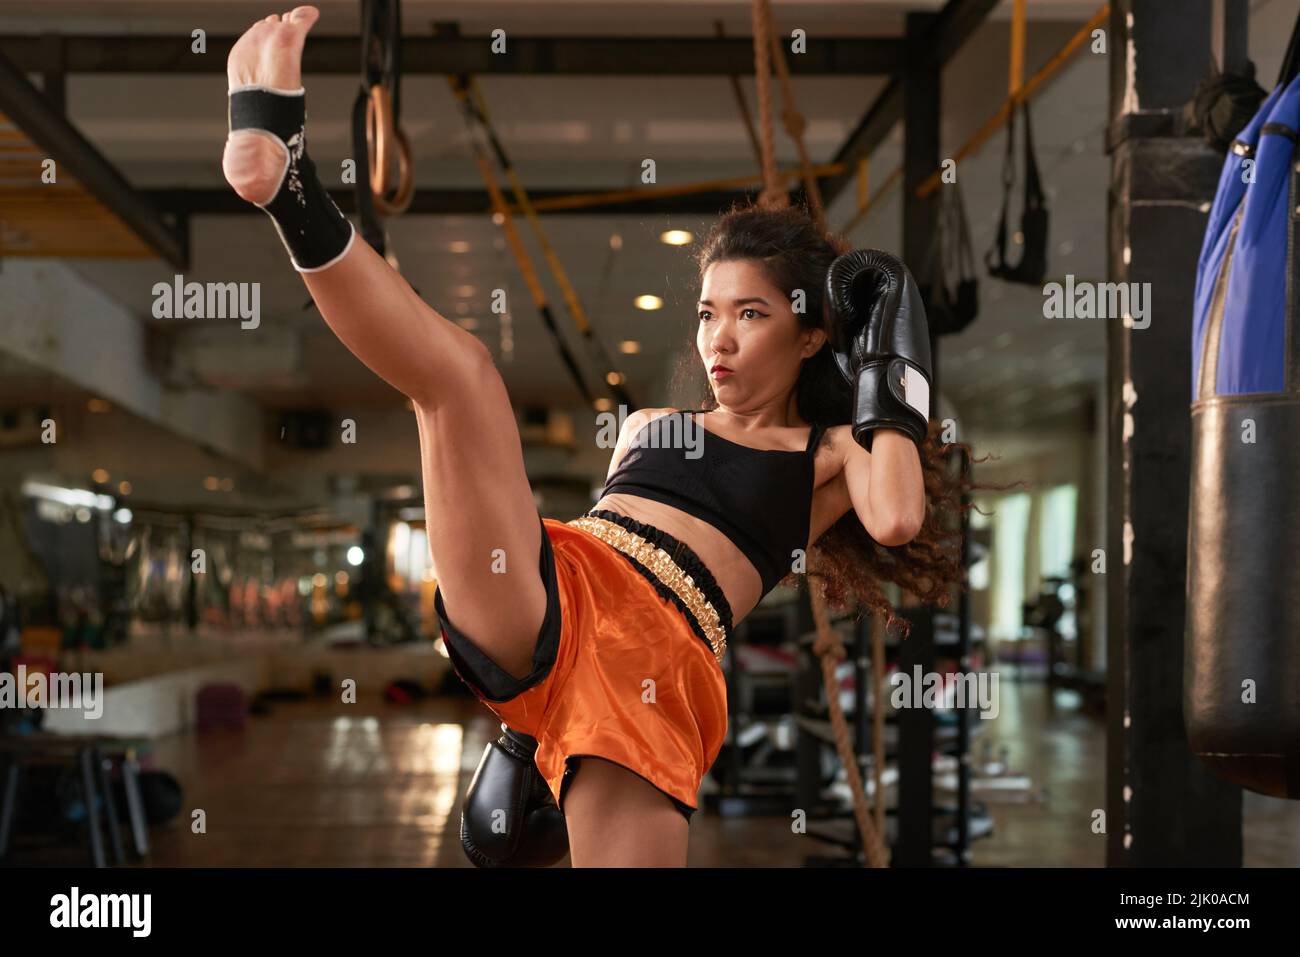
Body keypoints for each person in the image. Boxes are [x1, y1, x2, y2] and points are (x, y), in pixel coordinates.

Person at [223, 6, 973, 867]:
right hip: (554, 585)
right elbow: (587, 556)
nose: (717, 340)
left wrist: (888, 363)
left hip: (655, 653)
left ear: (809, 334)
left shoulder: (834, 453)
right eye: (707, 314)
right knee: (459, 379)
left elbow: (898, 519)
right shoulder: (653, 426)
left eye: (751, 315)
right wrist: (525, 728)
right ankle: (288, 184)